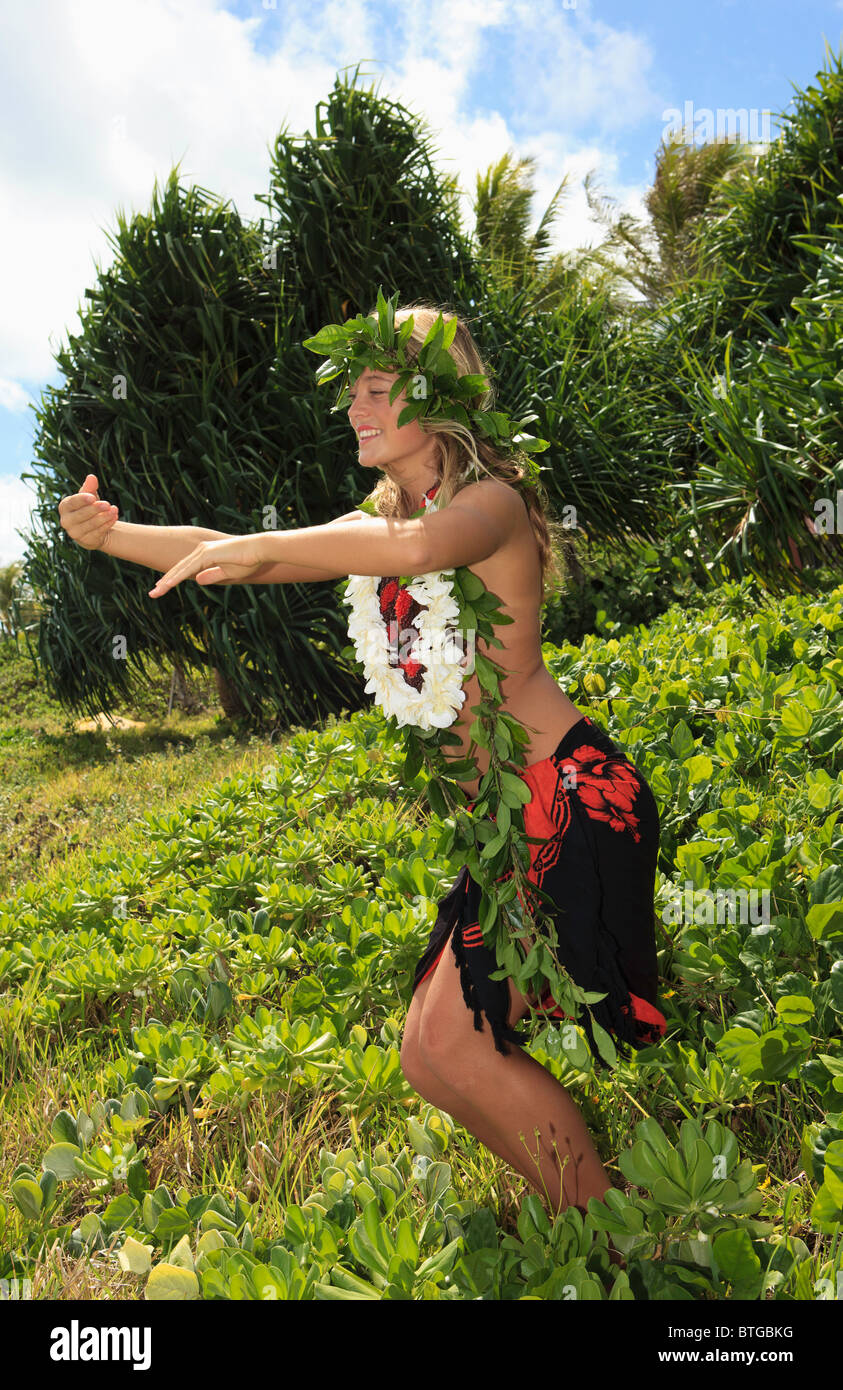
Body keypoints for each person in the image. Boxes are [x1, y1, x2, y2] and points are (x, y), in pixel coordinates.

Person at [58, 302, 666, 1263]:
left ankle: (626, 1247)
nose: (356, 406)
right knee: (429, 1054)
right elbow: (234, 549)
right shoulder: (373, 523)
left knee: (454, 1041)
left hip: (571, 799)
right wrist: (113, 536)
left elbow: (416, 553)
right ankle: (590, 1224)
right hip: (504, 825)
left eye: (381, 387)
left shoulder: (491, 504)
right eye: (353, 389)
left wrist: (255, 548)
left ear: (444, 397)